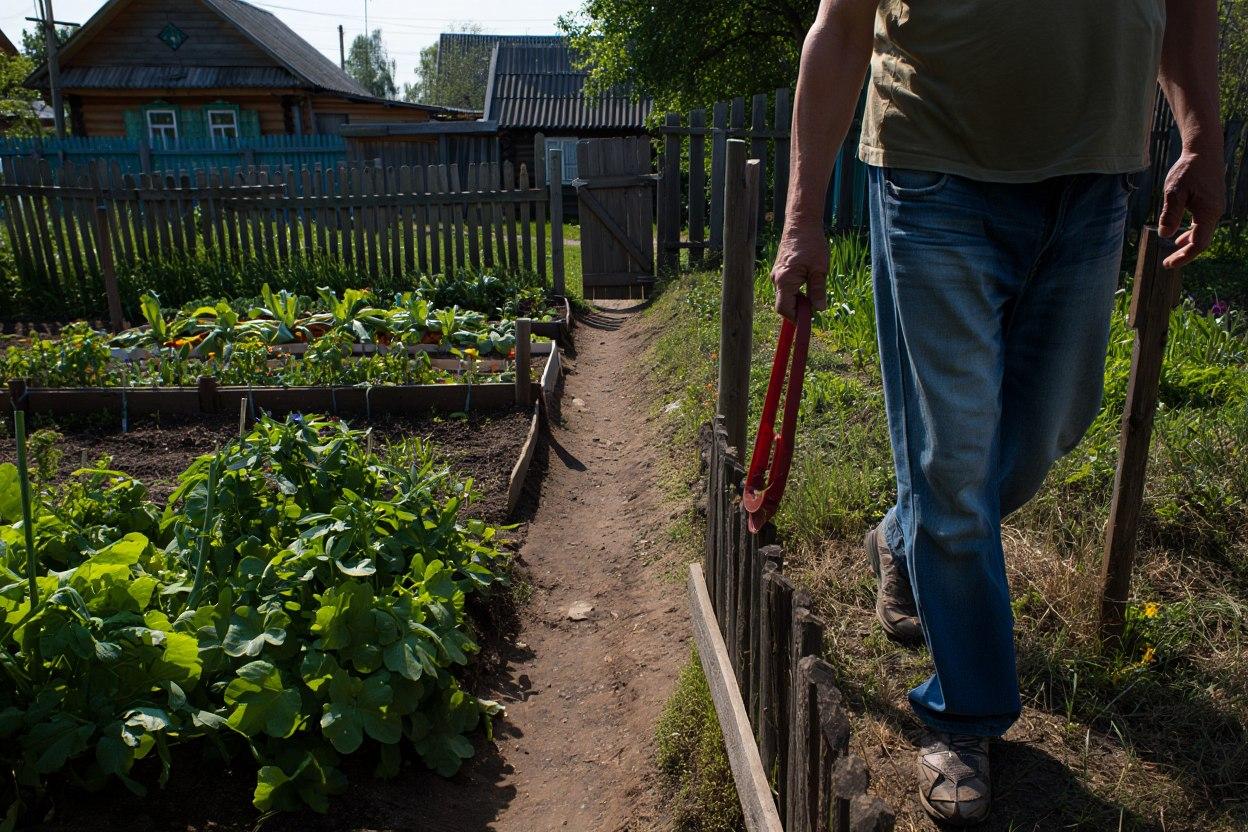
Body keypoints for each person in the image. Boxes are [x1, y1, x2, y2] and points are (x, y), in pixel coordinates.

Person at [771, 0, 1225, 825]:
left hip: (1093, 180)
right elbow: (840, 29)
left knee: (1054, 423)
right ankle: (965, 714)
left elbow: (1188, 8)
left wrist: (1199, 131)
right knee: (952, 466)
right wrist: (802, 218)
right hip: (935, 172)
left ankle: (903, 536)